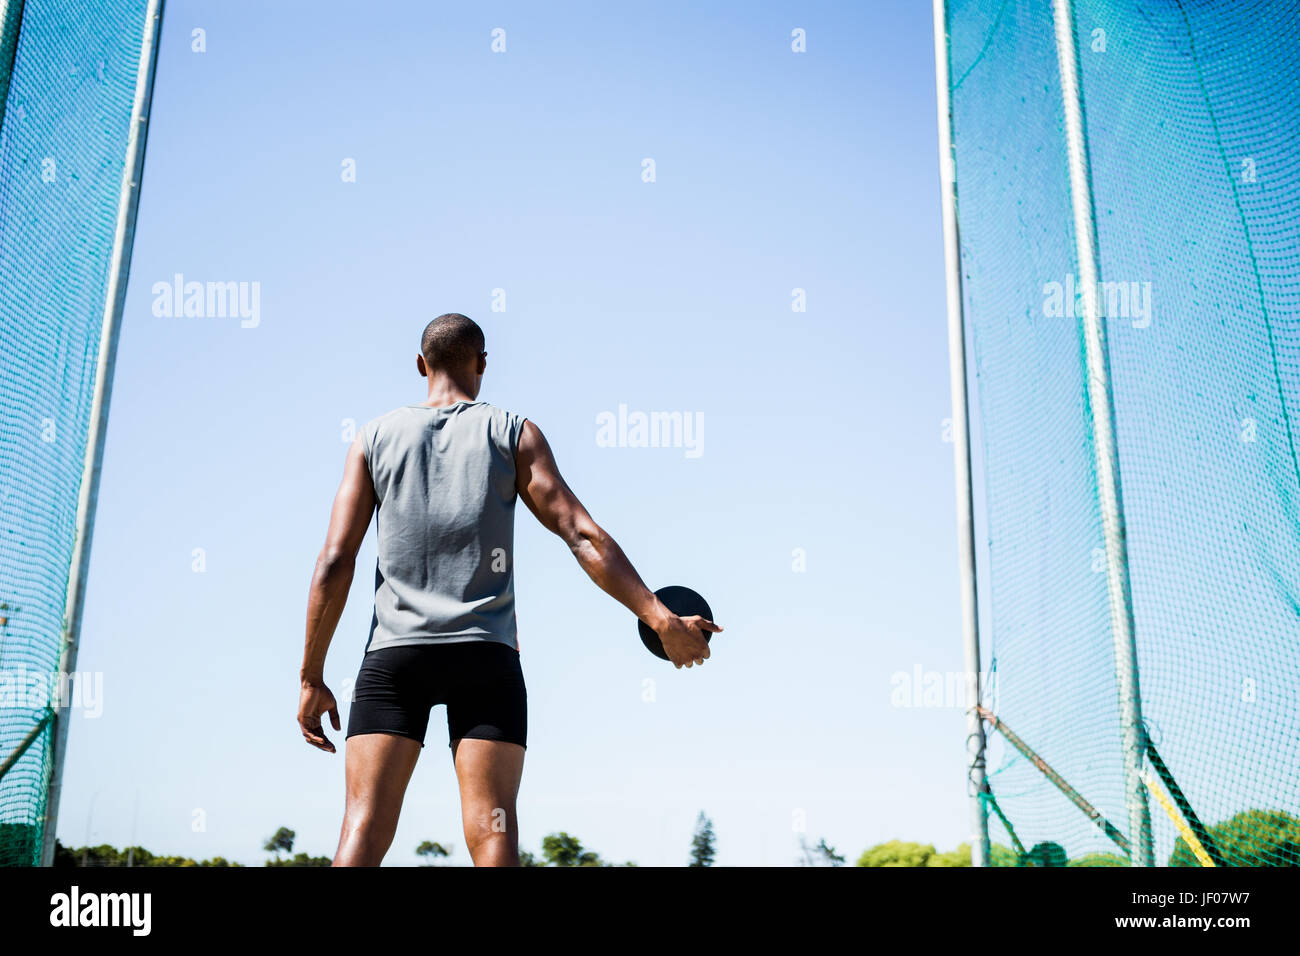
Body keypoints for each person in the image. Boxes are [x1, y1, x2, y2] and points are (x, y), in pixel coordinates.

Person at [297, 313, 720, 867]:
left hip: (394, 658)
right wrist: (660, 618)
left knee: (364, 824)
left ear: (421, 366)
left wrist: (311, 675)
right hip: (485, 657)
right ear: (483, 365)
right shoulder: (512, 433)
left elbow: (334, 561)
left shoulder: (373, 438)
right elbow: (580, 533)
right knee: (492, 829)